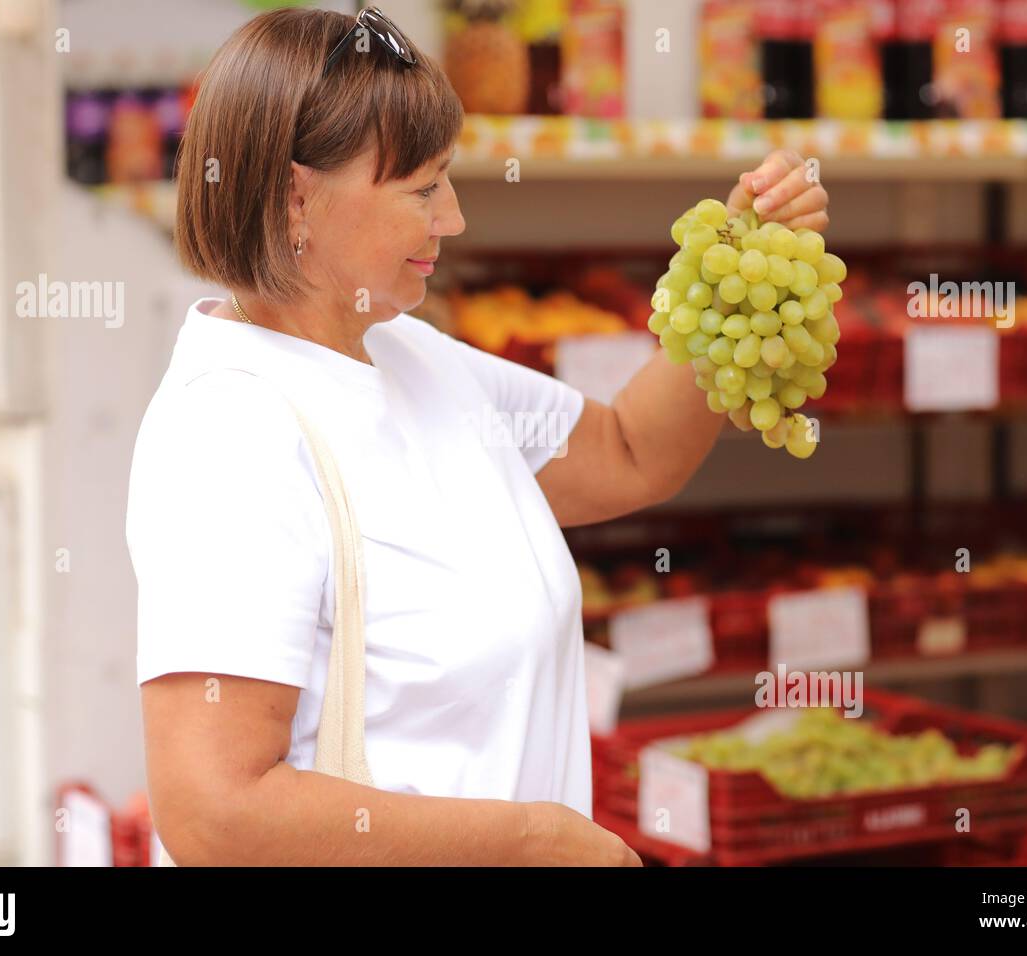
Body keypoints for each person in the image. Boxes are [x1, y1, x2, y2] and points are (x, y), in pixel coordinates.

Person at [127, 6, 830, 866]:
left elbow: (628, 453)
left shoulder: (404, 351)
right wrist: (530, 841)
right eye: (422, 189)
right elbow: (214, 815)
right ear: (295, 198)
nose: (452, 219)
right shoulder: (232, 433)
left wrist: (739, 265)